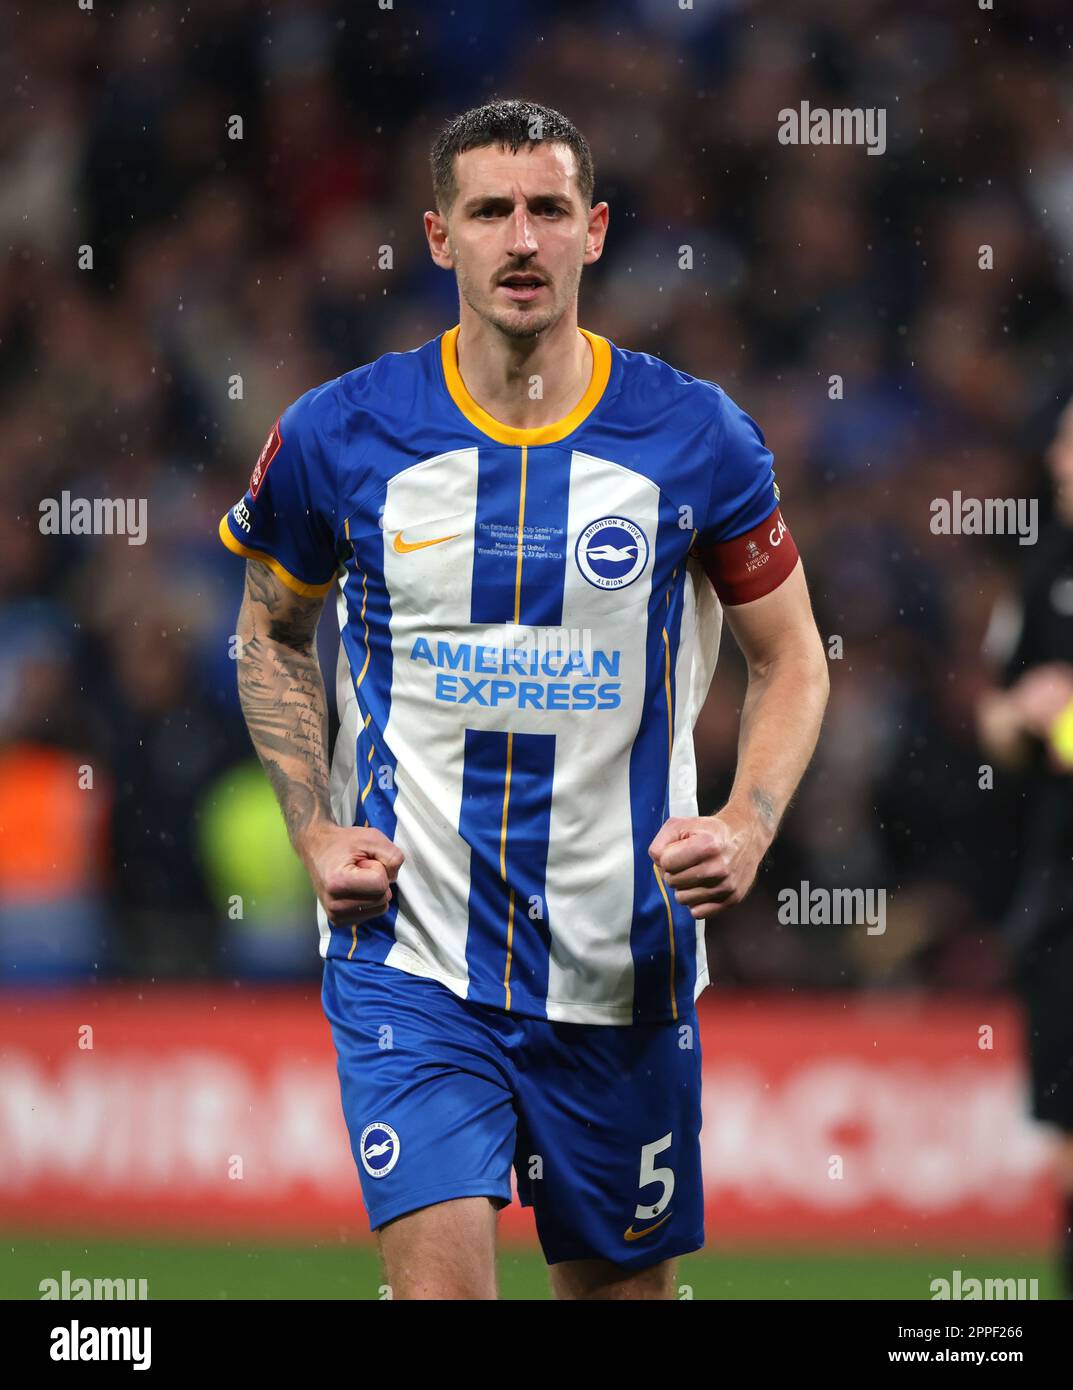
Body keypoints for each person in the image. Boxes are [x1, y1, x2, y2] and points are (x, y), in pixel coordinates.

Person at [218, 99, 829, 1300]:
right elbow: (271, 633)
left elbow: (793, 656)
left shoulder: (695, 439)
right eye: (489, 211)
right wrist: (311, 828)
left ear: (593, 231)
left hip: (621, 964)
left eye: (547, 209)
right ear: (437, 236)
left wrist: (749, 825)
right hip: (412, 954)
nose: (520, 238)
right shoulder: (339, 435)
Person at [977, 396, 1073, 1299]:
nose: (1056, 459)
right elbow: (994, 718)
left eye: (1071, 443)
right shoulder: (1043, 571)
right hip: (1062, 895)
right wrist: (1022, 714)